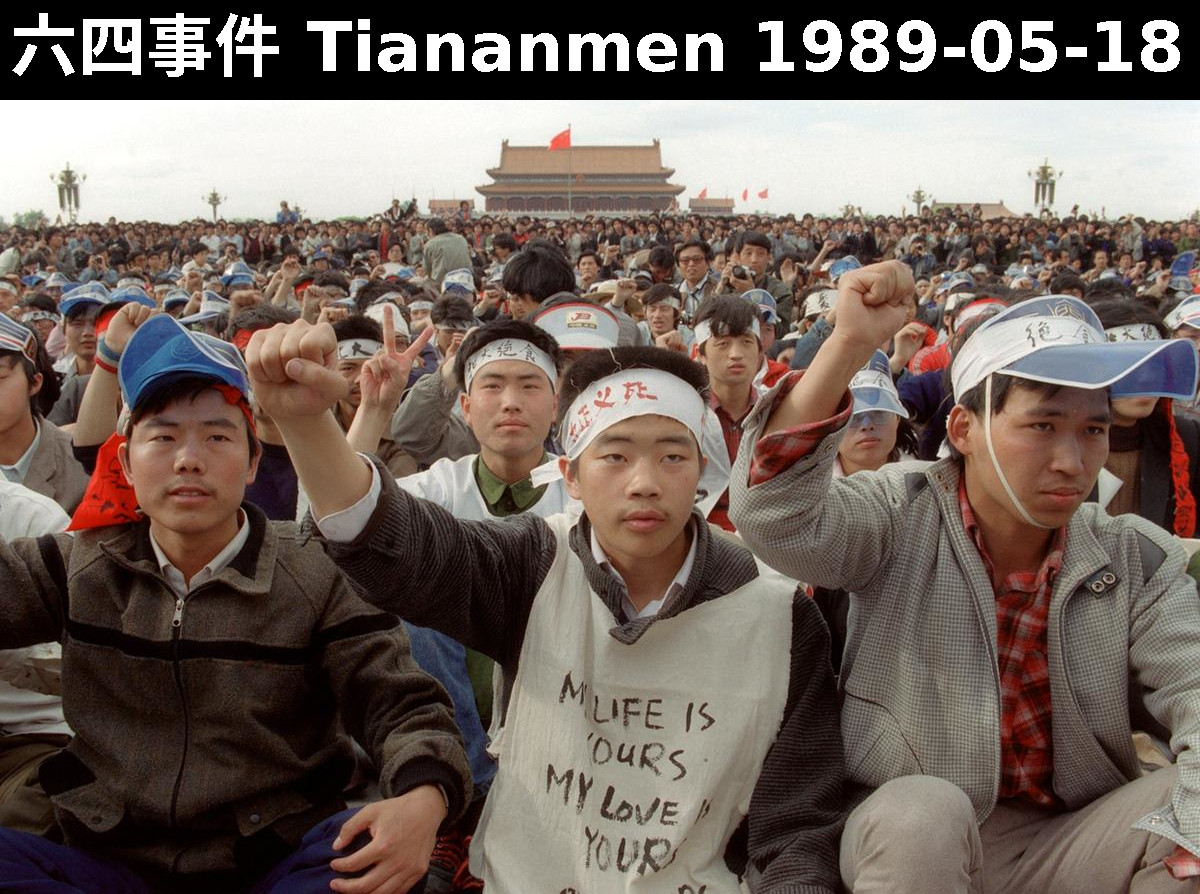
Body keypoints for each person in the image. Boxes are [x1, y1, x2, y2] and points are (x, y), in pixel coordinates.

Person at [246, 325, 846, 894]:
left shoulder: (778, 614)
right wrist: (307, 424)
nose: (644, 482)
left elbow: (796, 824)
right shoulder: (532, 565)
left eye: (672, 457)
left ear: (702, 472)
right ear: (570, 477)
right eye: (614, 456)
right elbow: (396, 545)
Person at [730, 260, 1200, 893]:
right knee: (923, 814)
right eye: (1042, 425)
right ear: (964, 428)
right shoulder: (898, 514)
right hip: (908, 832)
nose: (1072, 460)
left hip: (1073, 840)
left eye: (1093, 429)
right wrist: (848, 344)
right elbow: (774, 514)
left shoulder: (1135, 558)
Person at [0, 312, 470, 893]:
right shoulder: (78, 566)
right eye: (163, 437)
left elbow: (402, 707)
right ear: (125, 463)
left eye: (217, 436)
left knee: (370, 863)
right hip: (110, 854)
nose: (188, 459)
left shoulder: (315, 572)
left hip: (276, 856)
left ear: (251, 463)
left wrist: (423, 798)